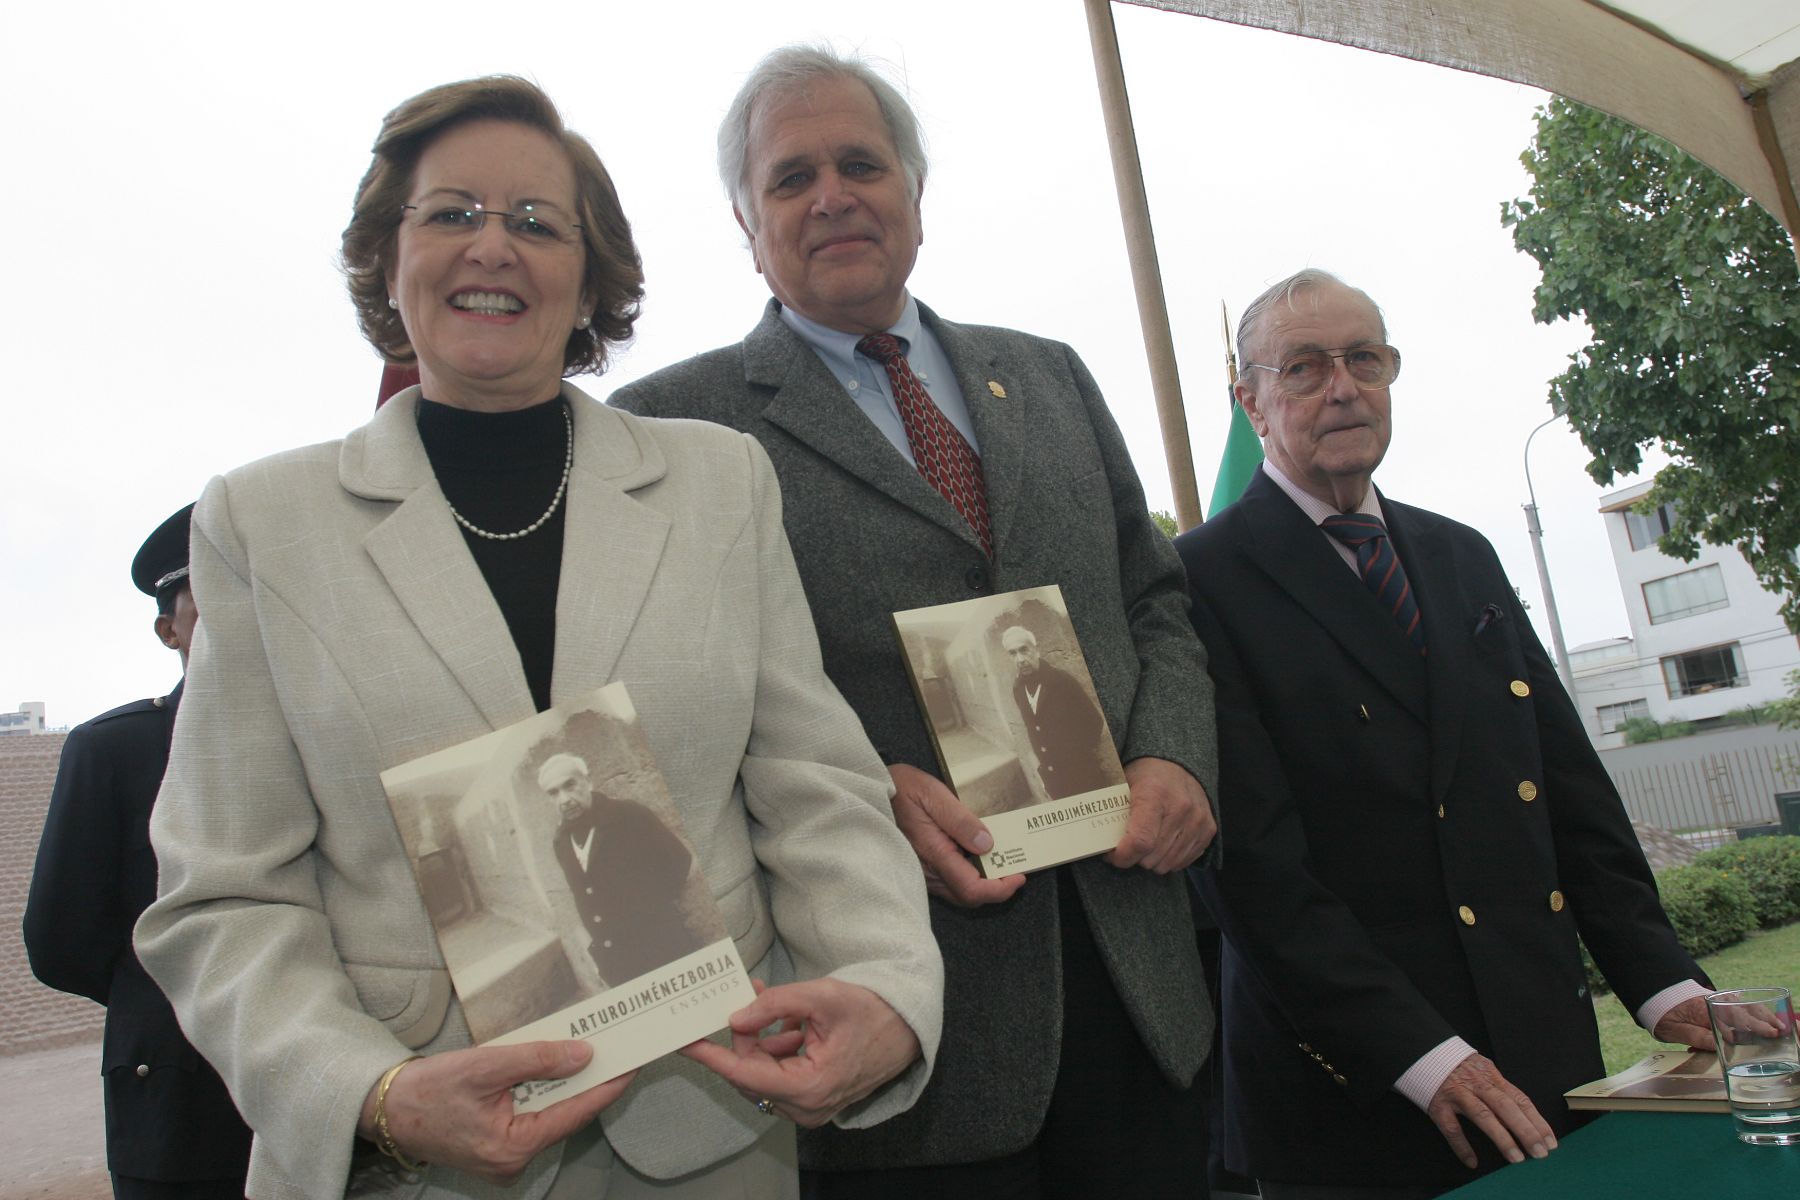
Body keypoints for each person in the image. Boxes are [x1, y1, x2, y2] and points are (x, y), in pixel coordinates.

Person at [134, 75, 942, 1200]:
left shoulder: (718, 484)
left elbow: (818, 789)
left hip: (710, 1135)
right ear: (387, 255)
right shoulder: (263, 525)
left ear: (589, 273)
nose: (492, 248)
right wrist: (368, 1093)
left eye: (535, 223)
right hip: (412, 1157)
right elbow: (224, 895)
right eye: (451, 214)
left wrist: (891, 989)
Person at [611, 45, 1218, 1199]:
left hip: (1140, 990)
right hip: (898, 1029)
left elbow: (1156, 599)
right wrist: (852, 785)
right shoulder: (669, 430)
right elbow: (655, 719)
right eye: (791, 179)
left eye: (860, 163)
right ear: (746, 224)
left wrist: (1176, 751)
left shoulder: (1050, 377)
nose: (833, 195)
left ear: (916, 199)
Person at [1176, 269, 1714, 1198]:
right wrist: (1425, 1058)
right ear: (1250, 401)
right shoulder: (1197, 581)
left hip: (1540, 1055)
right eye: (1304, 368)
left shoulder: (1460, 552)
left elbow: (1569, 791)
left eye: (1364, 359)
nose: (1343, 386)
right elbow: (1253, 873)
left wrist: (1667, 986)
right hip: (1361, 1088)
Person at [23, 504, 253, 1200]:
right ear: (168, 630)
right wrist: (162, 992)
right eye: (206, 601)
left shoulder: (320, 742)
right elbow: (61, 940)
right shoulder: (114, 750)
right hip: (176, 1094)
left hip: (315, 1088)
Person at [537, 753, 704, 986]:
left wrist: (651, 915)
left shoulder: (628, 815)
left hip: (662, 948)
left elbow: (679, 862)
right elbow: (583, 896)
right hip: (617, 962)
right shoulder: (562, 842)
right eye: (553, 793)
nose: (564, 799)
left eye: (569, 785)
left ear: (588, 781)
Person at [1000, 626, 1112, 801]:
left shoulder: (1062, 681)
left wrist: (1077, 758)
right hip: (1054, 781)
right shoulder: (1018, 689)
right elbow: (1034, 729)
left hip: (1084, 777)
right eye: (1012, 653)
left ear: (1036, 650)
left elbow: (1094, 722)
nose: (1020, 659)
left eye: (1024, 650)